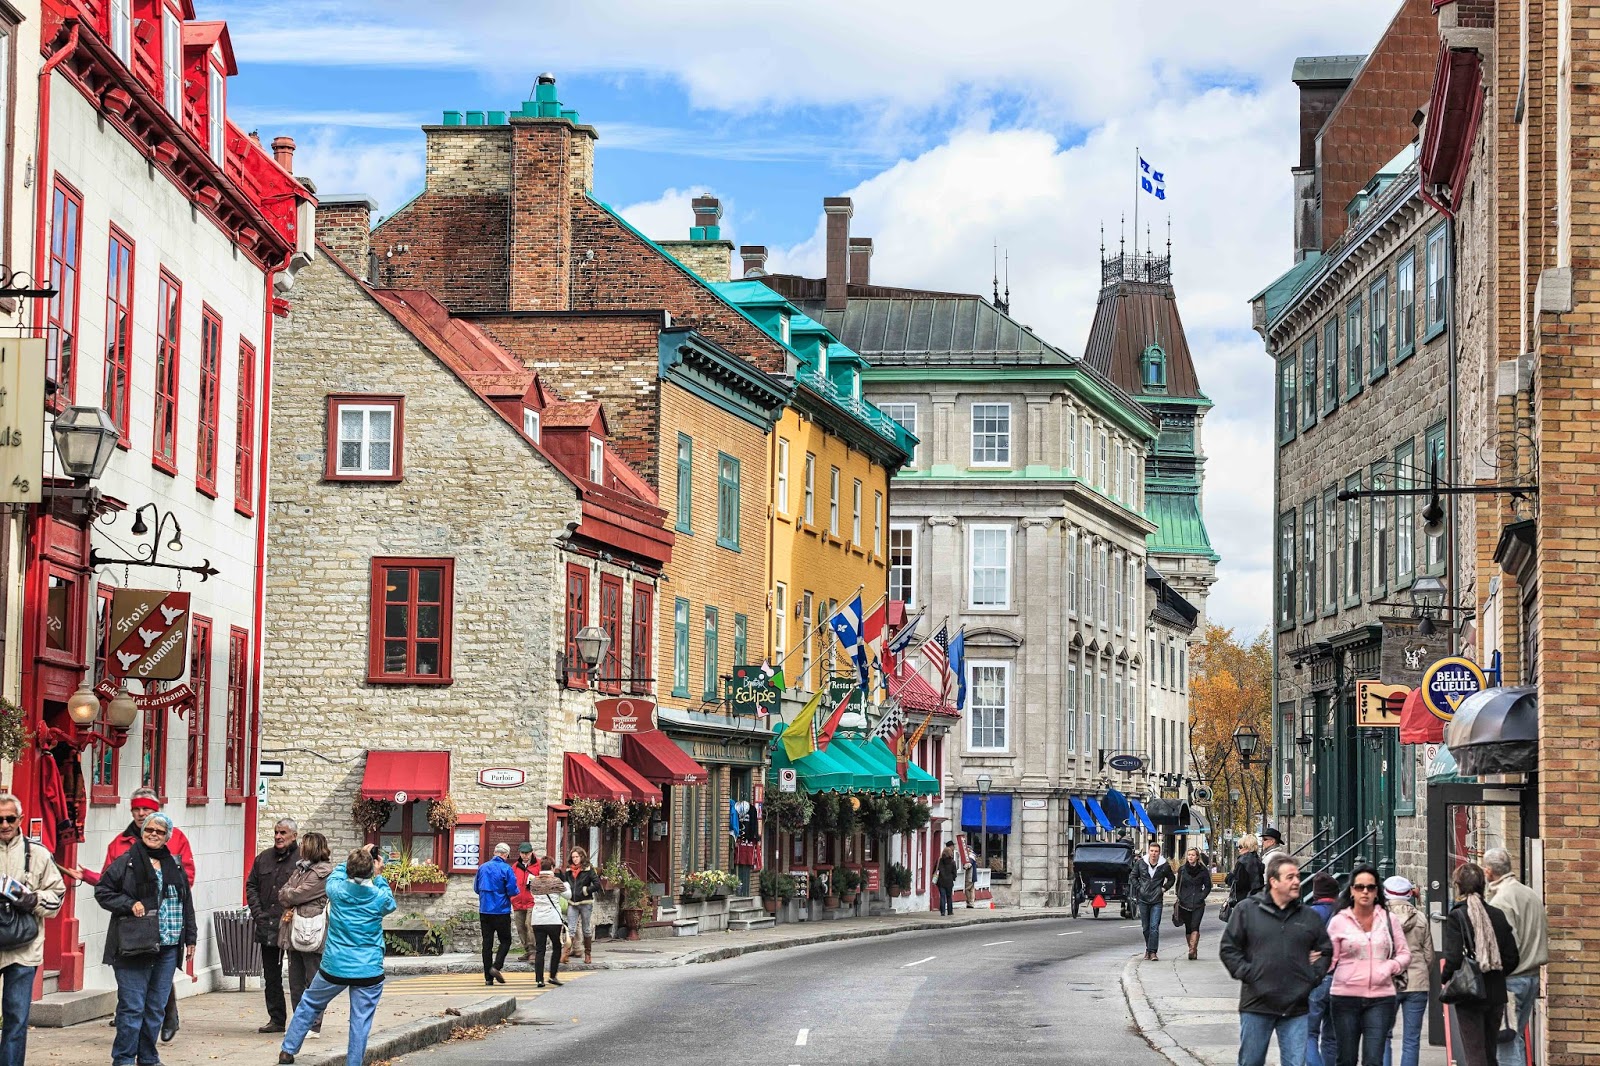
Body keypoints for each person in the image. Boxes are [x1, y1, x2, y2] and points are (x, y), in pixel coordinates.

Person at [66, 787, 195, 1043]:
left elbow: (186, 880)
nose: (140, 813)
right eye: (136, 809)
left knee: (158, 984)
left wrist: (167, 904)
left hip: (166, 923)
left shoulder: (176, 838)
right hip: (134, 928)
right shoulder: (120, 844)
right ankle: (128, 1048)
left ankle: (167, 1018)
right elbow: (108, 880)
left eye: (146, 809)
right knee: (134, 996)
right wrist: (90, 879)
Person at [278, 845, 397, 1066]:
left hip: (335, 965)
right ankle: (353, 1063)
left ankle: (288, 1049)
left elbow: (337, 873)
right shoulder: (379, 897)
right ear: (371, 871)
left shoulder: (337, 890)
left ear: (349, 870)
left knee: (310, 1003)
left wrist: (355, 856)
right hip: (368, 968)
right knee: (360, 1020)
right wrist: (378, 874)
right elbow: (390, 902)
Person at [96, 812, 196, 1066]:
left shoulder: (174, 864)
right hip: (134, 946)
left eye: (160, 832)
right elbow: (103, 891)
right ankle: (125, 1059)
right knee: (132, 1008)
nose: (153, 834)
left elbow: (186, 903)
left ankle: (148, 1058)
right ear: (142, 833)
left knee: (155, 1009)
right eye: (149, 830)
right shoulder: (127, 862)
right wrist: (129, 904)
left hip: (168, 946)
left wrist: (191, 938)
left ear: (167, 837)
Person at [1219, 853, 1333, 1066]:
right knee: (1250, 1062)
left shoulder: (1308, 917)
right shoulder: (1248, 910)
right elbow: (1228, 949)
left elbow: (1325, 951)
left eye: (1297, 877)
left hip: (1296, 1007)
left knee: (1295, 1063)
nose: (1297, 882)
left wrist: (1311, 977)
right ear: (1273, 881)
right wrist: (1250, 973)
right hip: (1257, 1004)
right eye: (1290, 877)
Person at [0, 792, 64, 1066]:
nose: (4, 824)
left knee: (15, 1017)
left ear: (20, 820)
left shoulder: (37, 854)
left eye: (9, 818)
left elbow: (57, 895)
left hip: (24, 948)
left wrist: (34, 899)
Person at [1326, 864, 1408, 1066]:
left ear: (1377, 891)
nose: (1365, 891)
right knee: (1346, 1059)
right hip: (1345, 997)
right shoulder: (1339, 921)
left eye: (1370, 887)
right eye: (1360, 887)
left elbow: (1405, 954)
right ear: (1352, 890)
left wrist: (1390, 967)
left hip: (1381, 998)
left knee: (1373, 1060)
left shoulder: (1389, 919)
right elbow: (1329, 959)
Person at [1442, 863, 1519, 1066]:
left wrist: (1446, 979)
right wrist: (1495, 972)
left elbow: (1453, 958)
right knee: (1490, 1051)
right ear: (1482, 886)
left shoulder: (1457, 916)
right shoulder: (1497, 915)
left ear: (1458, 887)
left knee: (1475, 1053)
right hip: (1495, 991)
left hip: (1469, 993)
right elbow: (1512, 957)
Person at [1483, 848, 1548, 1066]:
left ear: (1488, 871)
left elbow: (1508, 948)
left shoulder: (1501, 900)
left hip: (1512, 979)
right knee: (1516, 1036)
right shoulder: (1529, 893)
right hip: (1532, 975)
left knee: (1505, 1042)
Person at [246, 818, 301, 1033]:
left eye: (283, 833)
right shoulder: (263, 858)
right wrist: (258, 913)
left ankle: (303, 1022)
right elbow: (251, 885)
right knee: (271, 976)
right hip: (268, 925)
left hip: (294, 927)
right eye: (276, 832)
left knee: (299, 977)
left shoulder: (302, 860)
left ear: (294, 836)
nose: (278, 836)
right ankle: (276, 1019)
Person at [277, 832, 333, 1040]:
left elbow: (297, 894)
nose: (300, 848)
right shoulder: (301, 868)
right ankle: (300, 1021)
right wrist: (289, 894)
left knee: (313, 979)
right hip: (294, 928)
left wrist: (291, 894)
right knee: (295, 981)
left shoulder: (323, 873)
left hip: (311, 929)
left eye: (304, 845)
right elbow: (284, 892)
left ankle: (313, 1024)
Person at [1383, 877, 1433, 1066]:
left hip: (1388, 982)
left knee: (1383, 1035)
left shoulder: (1381, 917)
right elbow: (1428, 955)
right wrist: (1420, 972)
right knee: (1412, 1039)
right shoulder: (1420, 918)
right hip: (1417, 981)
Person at [1306, 872, 1342, 1066]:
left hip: (1316, 977)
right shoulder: (1345, 914)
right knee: (1331, 1037)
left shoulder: (1309, 915)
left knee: (1308, 1034)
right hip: (1340, 978)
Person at [474, 842, 519, 985]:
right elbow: (512, 890)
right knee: (505, 940)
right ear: (505, 854)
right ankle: (496, 966)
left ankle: (488, 978)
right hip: (501, 910)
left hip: (485, 910)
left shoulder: (482, 867)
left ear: (495, 852)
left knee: (487, 944)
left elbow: (476, 888)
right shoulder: (506, 868)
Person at [526, 857, 569, 988]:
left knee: (540, 949)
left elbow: (530, 891)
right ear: (552, 867)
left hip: (537, 919)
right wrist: (566, 883)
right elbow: (568, 895)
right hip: (553, 919)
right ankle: (552, 975)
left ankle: (539, 979)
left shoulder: (534, 882)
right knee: (556, 947)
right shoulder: (556, 881)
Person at [1131, 841, 1176, 961]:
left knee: (1154, 927)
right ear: (1148, 851)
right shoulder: (1141, 863)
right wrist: (1139, 888)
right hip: (1143, 899)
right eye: (1152, 851)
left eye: (1156, 851)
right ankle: (1148, 949)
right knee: (1146, 927)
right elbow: (1133, 876)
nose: (1154, 854)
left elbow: (1172, 879)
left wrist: (1164, 888)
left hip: (1157, 900)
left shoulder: (1164, 865)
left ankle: (1153, 952)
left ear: (1159, 852)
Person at [559, 847, 600, 965]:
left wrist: (586, 890)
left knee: (586, 929)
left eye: (577, 857)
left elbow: (597, 884)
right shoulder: (568, 870)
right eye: (573, 857)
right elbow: (565, 884)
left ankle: (588, 954)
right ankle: (565, 954)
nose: (575, 859)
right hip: (572, 902)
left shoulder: (589, 869)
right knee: (570, 929)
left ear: (582, 857)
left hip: (585, 902)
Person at [1175, 847, 1213, 961]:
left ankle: (1192, 950)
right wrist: (1180, 896)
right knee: (1188, 927)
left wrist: (1202, 896)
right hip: (1184, 903)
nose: (1190, 857)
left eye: (1193, 855)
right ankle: (1193, 949)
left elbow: (1208, 886)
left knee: (1195, 926)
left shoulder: (1203, 870)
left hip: (1198, 903)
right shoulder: (1182, 870)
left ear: (1197, 857)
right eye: (1189, 855)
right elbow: (1178, 885)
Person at [511, 844, 539, 961]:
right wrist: (512, 898)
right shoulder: (516, 866)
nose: (525, 856)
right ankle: (527, 950)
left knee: (530, 925)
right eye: (522, 853)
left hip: (532, 901)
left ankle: (533, 950)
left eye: (527, 853)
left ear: (532, 852)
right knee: (520, 927)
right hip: (517, 901)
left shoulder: (538, 865)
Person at [1229, 835, 1265, 909]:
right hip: (1257, 898)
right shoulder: (1257, 860)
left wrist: (1229, 878)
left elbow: (1238, 884)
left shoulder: (1242, 862)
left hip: (1243, 900)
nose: (1238, 849)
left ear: (1247, 847)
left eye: (1240, 846)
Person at [935, 842, 957, 917]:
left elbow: (935, 870)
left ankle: (943, 912)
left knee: (942, 896)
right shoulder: (952, 862)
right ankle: (950, 911)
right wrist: (953, 878)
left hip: (941, 881)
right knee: (949, 897)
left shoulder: (939, 861)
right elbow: (954, 873)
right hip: (949, 882)